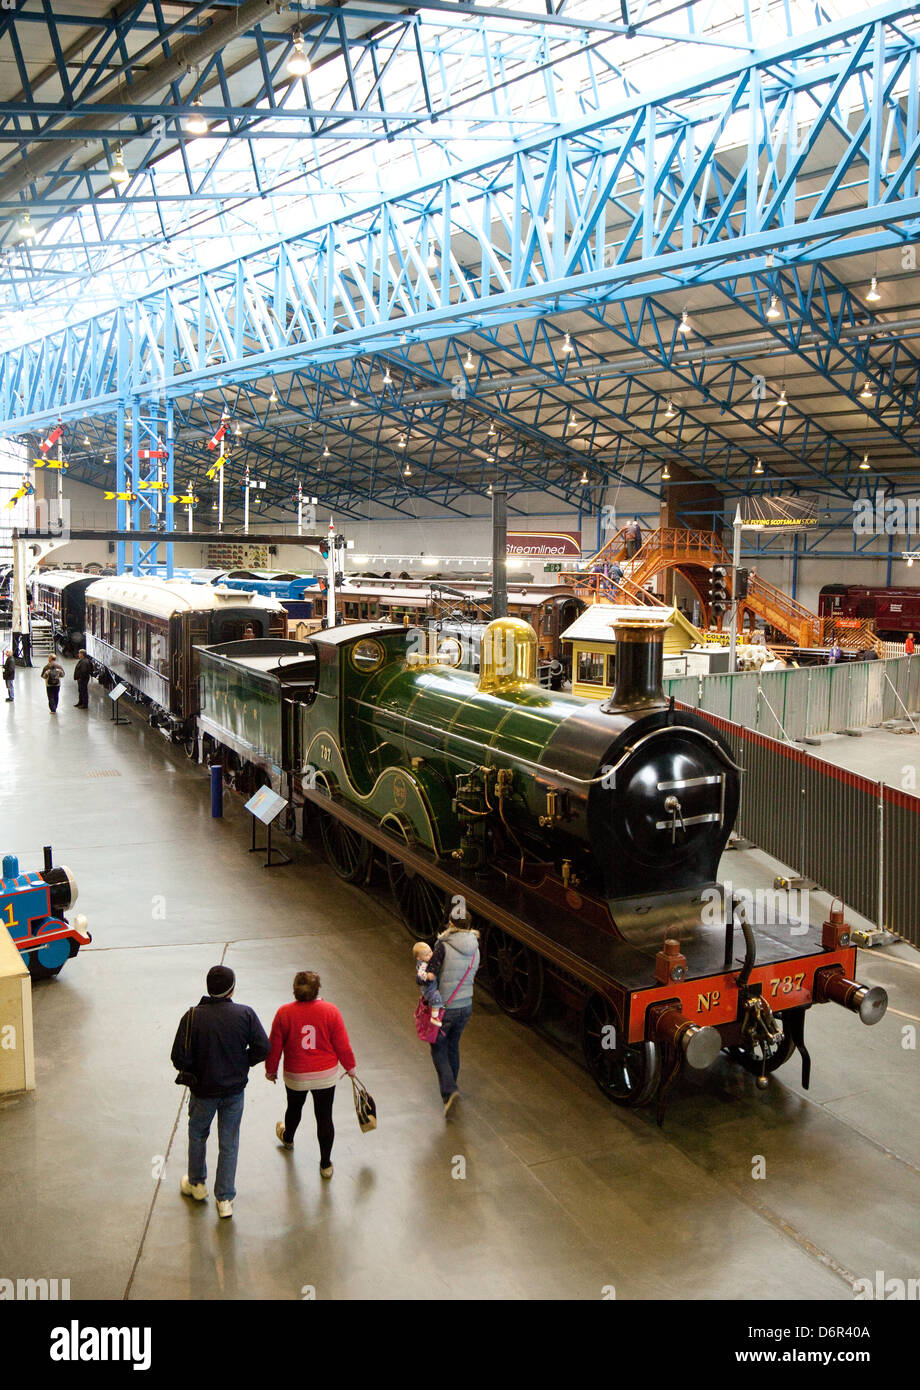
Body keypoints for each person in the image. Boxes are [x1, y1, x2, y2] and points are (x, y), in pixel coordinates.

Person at [170, 965, 270, 1219]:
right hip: (234, 1091)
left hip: (203, 1091)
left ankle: (196, 1183)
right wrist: (242, 1061)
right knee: (229, 1142)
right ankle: (224, 1198)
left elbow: (178, 1057)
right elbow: (263, 1047)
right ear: (232, 989)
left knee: (197, 1134)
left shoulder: (192, 1016)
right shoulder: (245, 1014)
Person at [265, 971, 356, 1178]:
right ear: (318, 990)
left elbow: (275, 1046)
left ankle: (288, 1138)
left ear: (295, 990)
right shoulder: (330, 1011)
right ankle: (325, 1164)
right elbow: (342, 1045)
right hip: (325, 1075)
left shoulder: (284, 1013)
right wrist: (350, 1067)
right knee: (324, 1117)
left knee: (294, 1108)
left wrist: (271, 1070)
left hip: (296, 1075)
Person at [427, 914, 481, 1116]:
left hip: (445, 1007)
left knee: (438, 1047)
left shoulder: (442, 945)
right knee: (453, 1045)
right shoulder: (475, 947)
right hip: (466, 1004)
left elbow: (431, 974)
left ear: (451, 923)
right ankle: (451, 1087)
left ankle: (449, 1091)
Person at [413, 941, 444, 1026]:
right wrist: (427, 976)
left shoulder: (429, 960)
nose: (430, 955)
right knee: (436, 998)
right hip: (428, 988)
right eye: (427, 955)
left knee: (426, 1000)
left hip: (431, 986)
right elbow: (420, 974)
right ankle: (434, 1016)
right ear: (419, 958)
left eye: (430, 951)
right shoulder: (422, 964)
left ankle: (419, 1011)